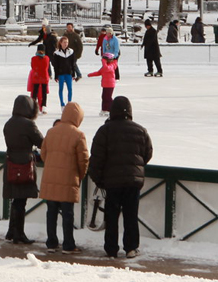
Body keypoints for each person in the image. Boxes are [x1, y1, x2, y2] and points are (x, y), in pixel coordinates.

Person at [88, 95, 153, 259]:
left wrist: (99, 180)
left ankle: (111, 248)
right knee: (131, 215)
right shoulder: (140, 130)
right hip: (133, 181)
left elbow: (96, 159)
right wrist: (135, 169)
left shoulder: (104, 131)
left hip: (112, 182)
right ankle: (131, 248)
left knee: (111, 216)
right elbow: (147, 154)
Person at [39, 100, 89, 253]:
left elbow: (43, 154)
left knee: (51, 213)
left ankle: (51, 243)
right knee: (68, 215)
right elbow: (83, 160)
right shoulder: (79, 135)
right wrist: (79, 176)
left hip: (50, 178)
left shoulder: (51, 131)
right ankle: (68, 244)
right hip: (68, 179)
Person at [2, 94, 42, 244]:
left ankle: (12, 231)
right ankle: (19, 234)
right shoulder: (28, 124)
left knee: (16, 199)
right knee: (21, 201)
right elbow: (41, 142)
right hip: (24, 164)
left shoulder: (9, 123)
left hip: (11, 163)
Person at [51, 38, 75, 106]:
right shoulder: (57, 53)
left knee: (70, 88)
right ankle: (62, 104)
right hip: (61, 73)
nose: (65, 44)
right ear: (61, 43)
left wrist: (73, 74)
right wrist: (56, 76)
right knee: (61, 88)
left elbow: (73, 64)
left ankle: (69, 103)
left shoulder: (71, 51)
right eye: (64, 42)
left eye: (67, 42)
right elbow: (55, 66)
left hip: (68, 73)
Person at [28, 45, 51, 113]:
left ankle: (33, 107)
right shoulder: (46, 58)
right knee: (44, 93)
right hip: (44, 77)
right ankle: (44, 106)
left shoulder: (33, 58)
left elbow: (32, 67)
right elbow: (47, 67)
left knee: (35, 92)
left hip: (36, 77)